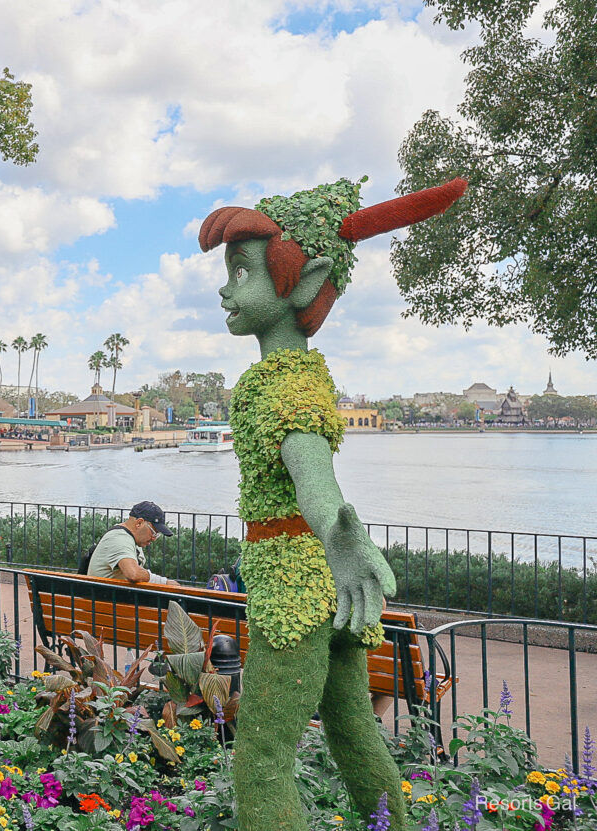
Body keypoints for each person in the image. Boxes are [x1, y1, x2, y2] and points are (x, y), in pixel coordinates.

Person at [197, 176, 466, 831]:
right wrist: (338, 545)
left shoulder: (280, 389)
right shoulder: (304, 378)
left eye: (241, 272)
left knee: (261, 750)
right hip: (330, 584)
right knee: (350, 726)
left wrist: (339, 532)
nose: (225, 288)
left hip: (296, 585)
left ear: (305, 281)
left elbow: (310, 467)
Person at [86, 501, 176, 585]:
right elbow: (133, 573)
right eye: (153, 532)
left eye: (157, 535)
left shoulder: (131, 537)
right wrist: (164, 582)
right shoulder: (120, 539)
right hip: (107, 599)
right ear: (139, 523)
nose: (154, 538)